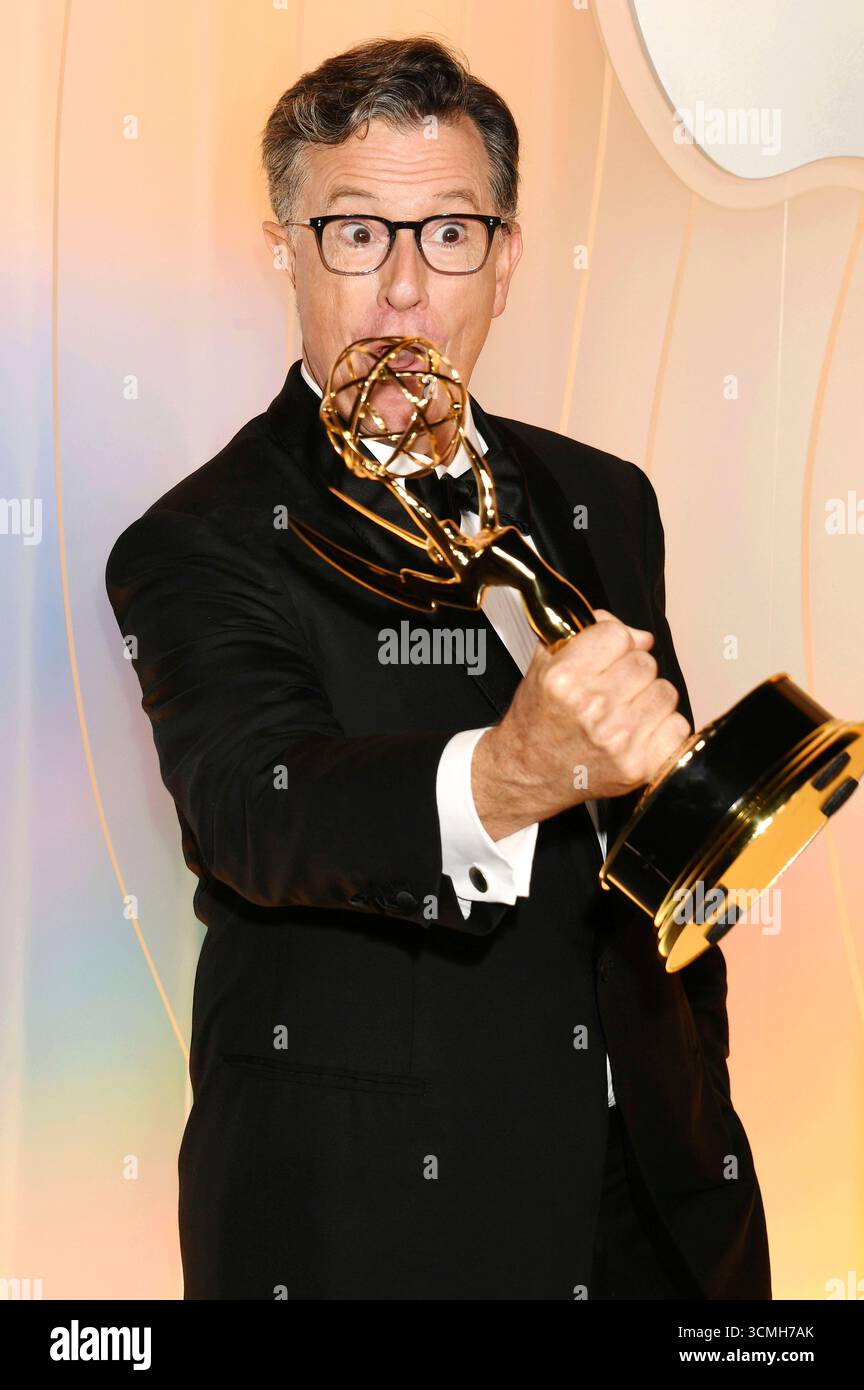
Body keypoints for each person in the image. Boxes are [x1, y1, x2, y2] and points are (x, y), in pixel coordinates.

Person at [105, 34, 771, 1300]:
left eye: (451, 233)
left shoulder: (604, 499)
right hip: (367, 1231)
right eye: (357, 234)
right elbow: (257, 806)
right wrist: (510, 776)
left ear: (508, 258)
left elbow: (660, 872)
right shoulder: (193, 540)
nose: (405, 289)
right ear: (288, 253)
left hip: (667, 1211)